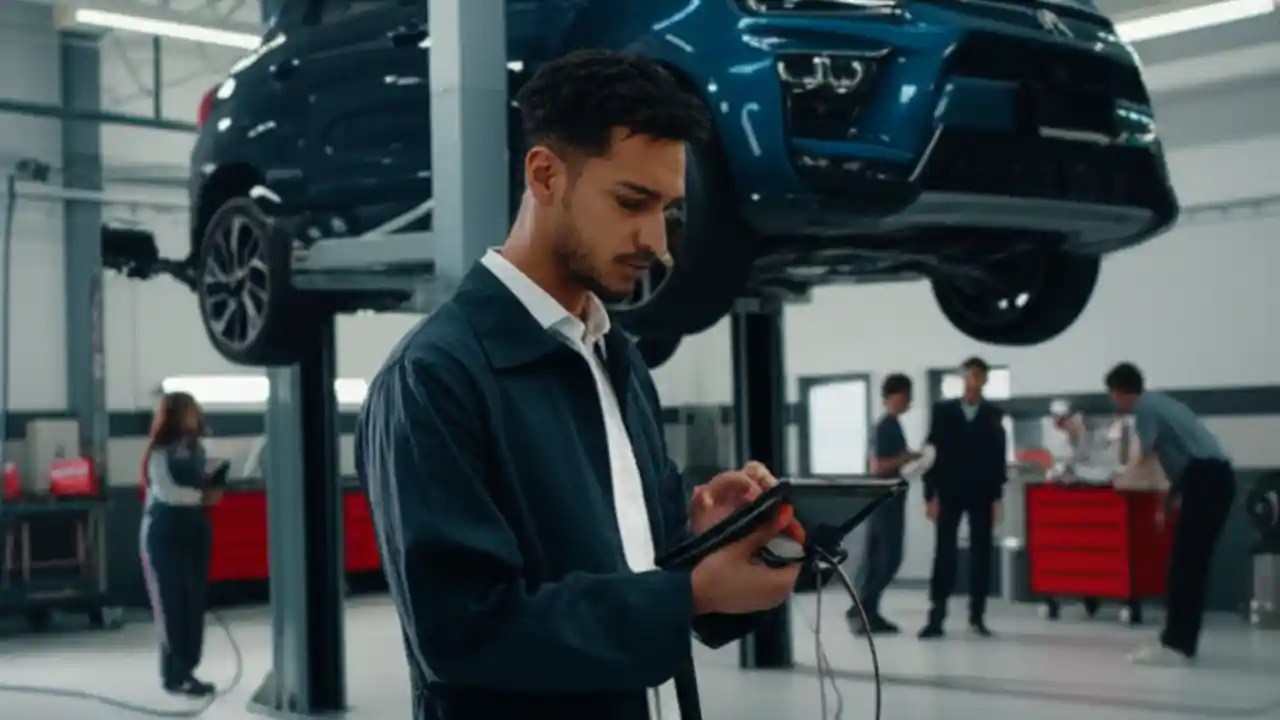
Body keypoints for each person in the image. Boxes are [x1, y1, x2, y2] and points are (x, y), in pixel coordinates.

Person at [355, 50, 803, 720]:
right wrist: (690, 595)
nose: (658, 242)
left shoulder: (614, 358)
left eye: (670, 211)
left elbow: (627, 570)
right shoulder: (434, 377)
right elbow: (462, 634)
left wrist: (699, 535)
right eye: (632, 202)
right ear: (545, 175)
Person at [1105, 362, 1235, 665]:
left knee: (1184, 566)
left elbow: (1146, 459)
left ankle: (1176, 644)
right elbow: (1177, 461)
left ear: (1120, 393)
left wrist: (1119, 480)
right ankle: (1182, 639)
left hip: (1206, 480)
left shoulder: (1145, 410)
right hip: (1211, 480)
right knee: (1189, 564)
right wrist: (1167, 503)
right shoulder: (1160, 402)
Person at [138, 391, 223, 697]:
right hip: (164, 530)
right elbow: (170, 491)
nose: (195, 416)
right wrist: (202, 487)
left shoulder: (200, 447)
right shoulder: (159, 453)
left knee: (193, 602)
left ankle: (185, 668)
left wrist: (211, 488)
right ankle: (177, 671)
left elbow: (200, 489)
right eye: (188, 411)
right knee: (171, 603)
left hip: (195, 527)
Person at [919, 356, 1006, 639]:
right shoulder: (944, 411)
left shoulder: (992, 413)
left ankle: (977, 616)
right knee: (945, 551)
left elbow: (998, 457)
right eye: (970, 375)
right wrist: (929, 495)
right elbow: (931, 453)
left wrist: (996, 498)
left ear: (985, 379)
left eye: (980, 375)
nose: (974, 380)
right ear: (962, 377)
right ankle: (937, 616)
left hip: (981, 492)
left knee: (981, 552)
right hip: (949, 490)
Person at [849, 373, 920, 635]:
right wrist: (906, 457)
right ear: (894, 396)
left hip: (888, 500)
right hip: (884, 503)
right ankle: (862, 609)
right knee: (886, 558)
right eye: (906, 397)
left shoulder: (892, 425)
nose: (909, 403)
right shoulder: (885, 427)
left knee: (880, 557)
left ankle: (868, 611)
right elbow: (878, 466)